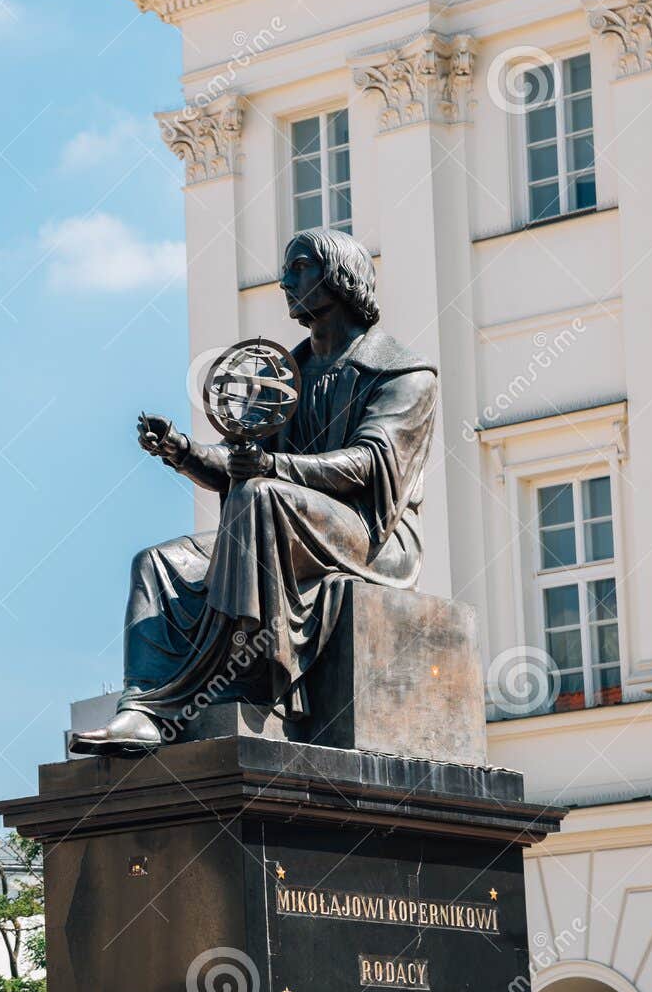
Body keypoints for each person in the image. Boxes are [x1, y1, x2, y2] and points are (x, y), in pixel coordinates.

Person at [70, 228, 439, 754]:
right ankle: (146, 709)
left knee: (260, 496)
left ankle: (246, 676)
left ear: (340, 277)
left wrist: (271, 464)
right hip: (282, 526)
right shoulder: (287, 375)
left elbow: (370, 463)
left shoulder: (402, 373)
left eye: (300, 267)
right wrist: (183, 451)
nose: (284, 280)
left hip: (370, 536)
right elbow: (240, 462)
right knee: (159, 562)